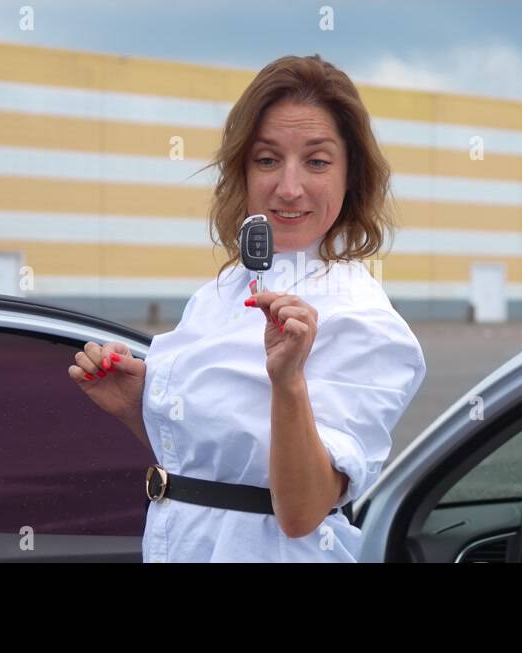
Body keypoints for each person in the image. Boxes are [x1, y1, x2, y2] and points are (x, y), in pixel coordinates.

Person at [67, 54, 426, 562]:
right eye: (267, 159)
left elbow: (302, 512)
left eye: (317, 161)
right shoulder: (220, 291)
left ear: (352, 178)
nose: (289, 187)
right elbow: (208, 468)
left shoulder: (363, 317)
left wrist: (289, 382)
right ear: (243, 168)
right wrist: (135, 406)